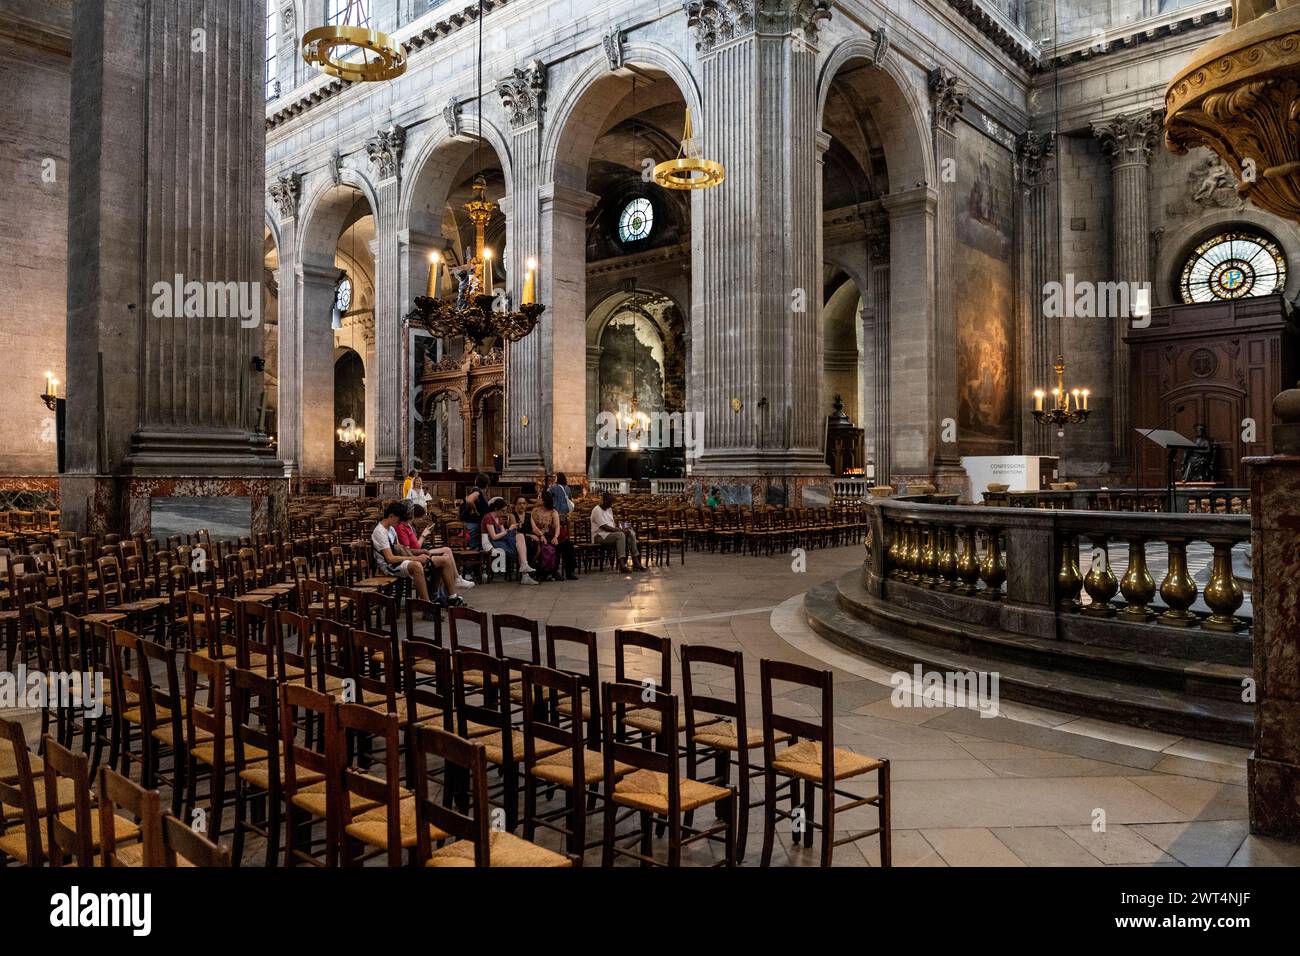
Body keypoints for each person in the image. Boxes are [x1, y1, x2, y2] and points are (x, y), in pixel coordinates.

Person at [371, 502, 464, 612]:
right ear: (391, 516)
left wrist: (419, 553)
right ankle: (428, 607)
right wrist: (417, 558)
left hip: (399, 560)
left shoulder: (390, 528)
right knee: (416, 566)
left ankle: (450, 597)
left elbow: (402, 550)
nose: (399, 522)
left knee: (444, 560)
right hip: (389, 566)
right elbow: (390, 558)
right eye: (398, 519)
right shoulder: (380, 532)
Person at [398, 504, 475, 591]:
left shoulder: (410, 527)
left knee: (447, 550)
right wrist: (423, 535)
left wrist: (424, 534)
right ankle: (453, 582)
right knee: (446, 554)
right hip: (418, 553)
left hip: (421, 550)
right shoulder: (403, 527)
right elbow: (412, 548)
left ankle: (456, 579)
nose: (421, 520)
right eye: (420, 518)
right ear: (413, 516)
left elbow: (416, 544)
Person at [483, 496, 538, 584]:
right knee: (520, 547)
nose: (504, 513)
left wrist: (509, 531)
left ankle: (524, 567)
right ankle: (525, 575)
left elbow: (503, 532)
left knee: (520, 536)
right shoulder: (488, 517)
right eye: (503, 510)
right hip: (492, 542)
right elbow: (494, 537)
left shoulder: (499, 517)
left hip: (501, 538)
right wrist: (509, 530)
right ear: (496, 509)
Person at [591, 491, 643, 572]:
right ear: (604, 500)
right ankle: (622, 565)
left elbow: (612, 525)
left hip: (610, 534)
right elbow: (605, 527)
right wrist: (621, 530)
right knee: (620, 535)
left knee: (630, 532)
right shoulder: (597, 510)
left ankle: (636, 562)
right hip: (600, 536)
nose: (611, 504)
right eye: (609, 502)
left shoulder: (609, 509)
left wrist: (625, 527)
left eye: (611, 502)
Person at [532, 490, 577, 580]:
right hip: (539, 535)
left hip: (552, 535)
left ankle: (570, 572)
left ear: (545, 500)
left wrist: (556, 537)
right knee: (549, 547)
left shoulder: (553, 512)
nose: (538, 499)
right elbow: (534, 527)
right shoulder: (534, 511)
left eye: (540, 497)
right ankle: (552, 571)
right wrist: (541, 535)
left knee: (568, 545)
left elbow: (557, 527)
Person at [459, 473, 491, 546]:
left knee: (476, 545)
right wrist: (475, 510)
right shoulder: (477, 491)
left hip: (476, 522)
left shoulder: (477, 491)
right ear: (486, 483)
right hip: (474, 523)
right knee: (474, 546)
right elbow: (470, 500)